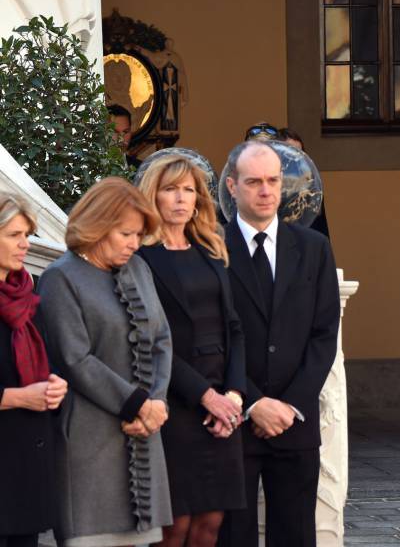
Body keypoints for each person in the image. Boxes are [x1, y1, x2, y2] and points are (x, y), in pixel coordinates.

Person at [38, 177, 174, 546]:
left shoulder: (139, 271)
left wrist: (157, 403)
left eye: (138, 235)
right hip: (89, 439)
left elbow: (161, 339)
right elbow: (74, 358)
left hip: (144, 432)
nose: (134, 243)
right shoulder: (59, 278)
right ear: (97, 225)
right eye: (126, 234)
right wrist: (138, 404)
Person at [216, 141, 340, 547]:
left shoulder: (313, 248)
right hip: (233, 420)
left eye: (273, 181)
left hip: (294, 419)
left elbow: (323, 334)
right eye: (254, 182)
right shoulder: (212, 251)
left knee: (295, 534)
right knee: (234, 536)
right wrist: (252, 403)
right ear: (232, 187)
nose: (266, 191)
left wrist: (289, 405)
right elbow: (209, 339)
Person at [136, 155, 247, 547]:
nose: (181, 199)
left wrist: (233, 396)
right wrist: (206, 397)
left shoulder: (211, 249)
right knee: (174, 527)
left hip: (222, 401)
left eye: (188, 190)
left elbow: (233, 326)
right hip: (175, 402)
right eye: (171, 190)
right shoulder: (140, 259)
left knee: (210, 524)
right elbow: (149, 340)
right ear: (154, 196)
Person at [0, 193, 67, 547]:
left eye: (27, 234)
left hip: (27, 460)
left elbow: (46, 361)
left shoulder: (28, 295)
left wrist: (55, 384)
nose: (25, 244)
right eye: (14, 235)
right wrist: (18, 397)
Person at [276, 127, 331, 240]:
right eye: (290, 155)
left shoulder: (311, 190)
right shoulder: (265, 191)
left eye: (300, 155)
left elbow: (321, 232)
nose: (296, 161)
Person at [107, 104, 141, 169]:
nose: (121, 138)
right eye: (115, 132)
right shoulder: (87, 168)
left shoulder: (142, 170)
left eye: (125, 132)